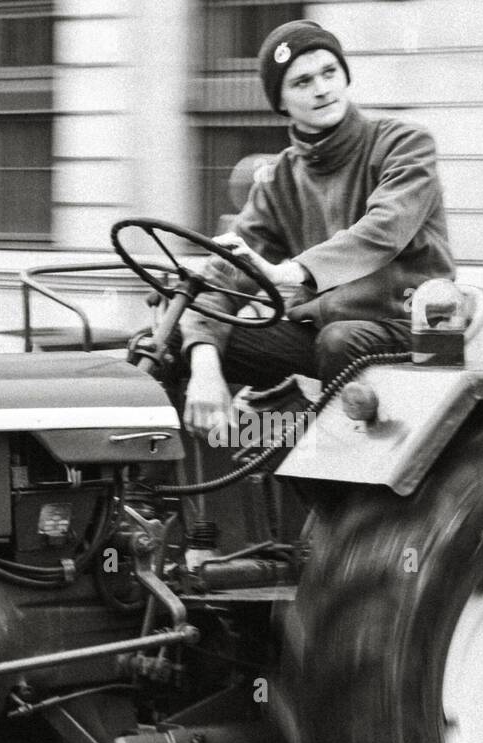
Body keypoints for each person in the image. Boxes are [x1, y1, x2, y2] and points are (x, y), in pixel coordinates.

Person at [176, 19, 456, 439]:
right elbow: (230, 271)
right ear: (282, 103)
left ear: (345, 76)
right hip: (322, 332)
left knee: (339, 341)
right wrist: (203, 364)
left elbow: (384, 230)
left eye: (329, 73)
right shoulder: (280, 178)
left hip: (407, 327)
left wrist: (291, 271)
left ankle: (338, 497)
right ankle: (151, 497)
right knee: (161, 344)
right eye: (302, 82)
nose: (322, 89)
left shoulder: (404, 143)